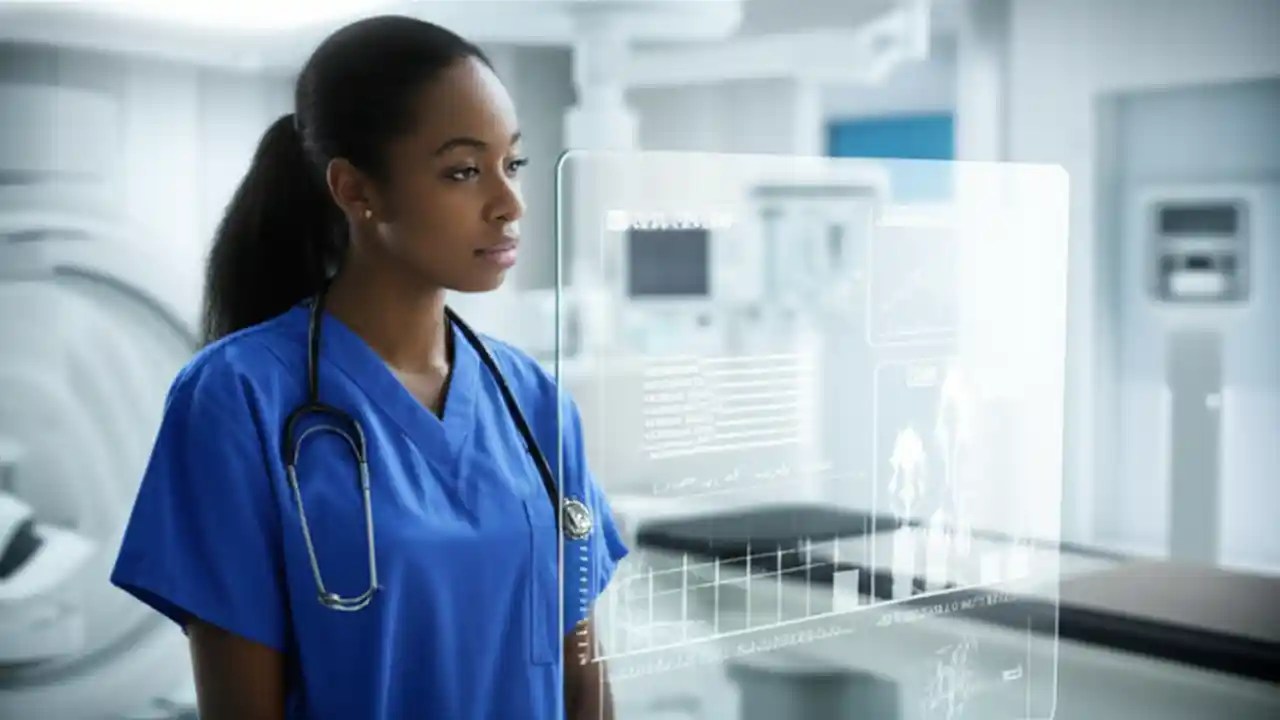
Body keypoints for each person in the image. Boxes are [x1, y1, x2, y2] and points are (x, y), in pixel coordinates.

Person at [110, 15, 629, 720]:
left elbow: (586, 688)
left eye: (514, 164)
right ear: (356, 190)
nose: (510, 204)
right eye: (464, 171)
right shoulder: (238, 399)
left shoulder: (533, 402)